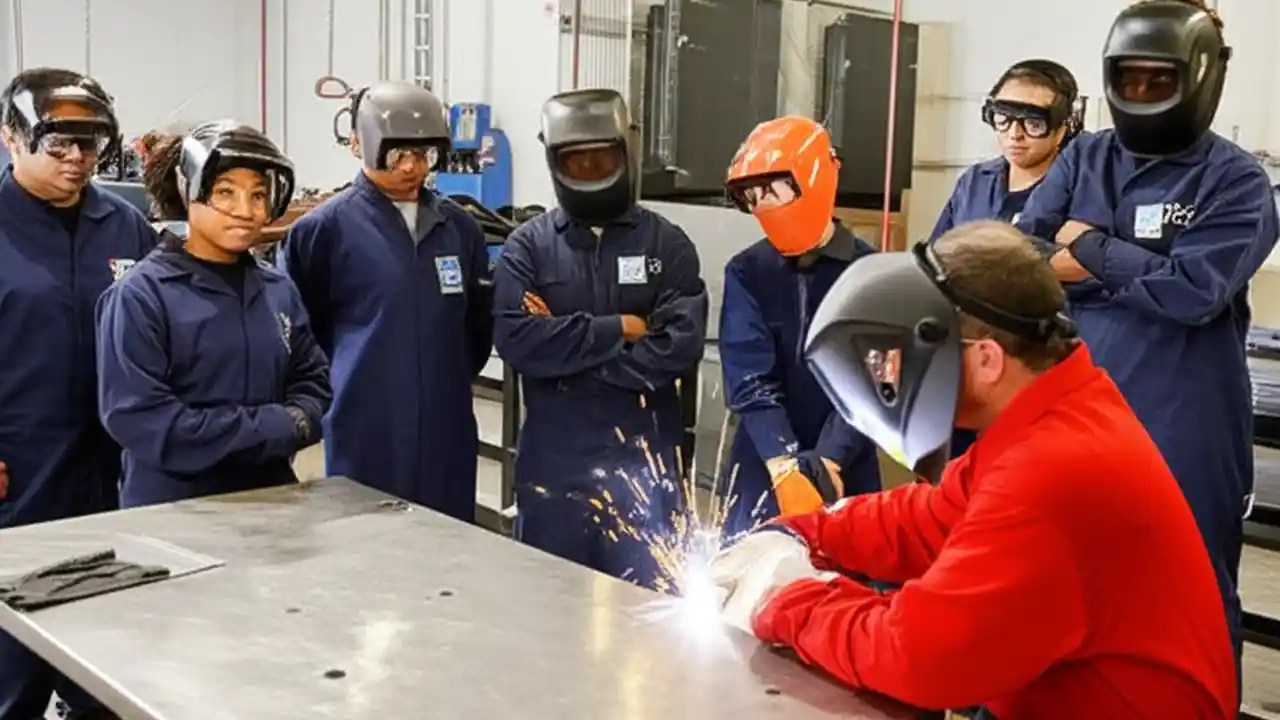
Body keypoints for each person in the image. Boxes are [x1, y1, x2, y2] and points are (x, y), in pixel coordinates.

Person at [710, 222, 1237, 718]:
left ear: (986, 359)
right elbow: (930, 516)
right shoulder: (1052, 414)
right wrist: (804, 534)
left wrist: (784, 600)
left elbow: (919, 656)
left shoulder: (1053, 468)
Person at [1015, 0, 1276, 672]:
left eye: (1157, 81)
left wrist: (1095, 251)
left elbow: (1194, 293)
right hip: (1073, 416)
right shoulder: (1084, 159)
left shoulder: (1238, 182)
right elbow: (1023, 265)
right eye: (1128, 80)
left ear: (1201, 79)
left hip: (1184, 427)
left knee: (1185, 601)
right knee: (1058, 588)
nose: (1141, 95)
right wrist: (1140, 266)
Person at [492, 88, 708, 590]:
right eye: (577, 160)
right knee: (549, 615)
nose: (589, 168)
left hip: (645, 472)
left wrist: (569, 358)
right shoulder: (530, 247)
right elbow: (518, 342)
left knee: (651, 629)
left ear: (625, 151)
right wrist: (620, 328)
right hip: (554, 475)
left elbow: (677, 348)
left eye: (600, 158)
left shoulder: (667, 244)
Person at [0, 67, 155, 720]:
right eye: (57, 143)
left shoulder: (126, 227)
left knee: (107, 658)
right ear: (10, 137)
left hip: (113, 471)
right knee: (14, 662)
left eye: (89, 145)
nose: (75, 159)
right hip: (18, 468)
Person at [278, 82, 493, 521]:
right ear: (359, 145)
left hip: (445, 425)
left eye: (425, 155)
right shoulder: (322, 232)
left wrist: (439, 379)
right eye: (397, 155)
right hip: (364, 425)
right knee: (366, 547)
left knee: (448, 542)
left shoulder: (459, 231)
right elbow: (299, 335)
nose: (412, 168)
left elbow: (475, 328)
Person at [96, 121, 331, 508]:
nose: (246, 211)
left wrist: (302, 415)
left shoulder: (277, 290)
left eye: (258, 195)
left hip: (273, 498)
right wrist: (279, 425)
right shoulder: (140, 296)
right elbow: (144, 419)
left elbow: (311, 377)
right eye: (225, 193)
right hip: (174, 506)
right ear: (189, 190)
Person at [718, 115, 881, 539]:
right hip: (764, 462)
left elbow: (873, 381)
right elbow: (750, 378)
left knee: (849, 587)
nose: (761, 206)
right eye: (751, 197)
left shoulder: (872, 274)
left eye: (771, 190)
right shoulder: (746, 271)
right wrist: (784, 465)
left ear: (813, 180)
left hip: (848, 464)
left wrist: (830, 460)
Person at [929, 59, 1081, 457]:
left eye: (1033, 123)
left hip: (1033, 378)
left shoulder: (1082, 191)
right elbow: (936, 261)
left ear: (1064, 125)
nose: (1015, 134)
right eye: (1003, 118)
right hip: (962, 372)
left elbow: (1086, 274)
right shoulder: (974, 184)